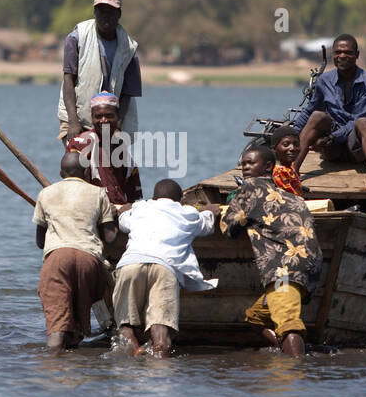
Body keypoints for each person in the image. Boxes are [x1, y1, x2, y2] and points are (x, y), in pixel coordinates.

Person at [220, 145, 323, 357]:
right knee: (256, 316)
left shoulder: (251, 188)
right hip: (309, 268)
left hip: (282, 272)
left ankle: (294, 372)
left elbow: (229, 228)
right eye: (243, 163)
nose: (245, 167)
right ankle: (289, 351)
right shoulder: (293, 197)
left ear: (268, 166)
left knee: (288, 324)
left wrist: (215, 211)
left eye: (251, 163)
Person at [112, 179, 221, 358]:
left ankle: (134, 352)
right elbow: (206, 226)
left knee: (125, 323)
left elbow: (124, 222)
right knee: (160, 327)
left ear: (154, 198)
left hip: (130, 264)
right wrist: (210, 212)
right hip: (165, 267)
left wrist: (124, 211)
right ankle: (161, 365)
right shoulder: (187, 212)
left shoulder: (141, 208)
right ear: (179, 200)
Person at [33, 152, 119, 353]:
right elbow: (111, 238)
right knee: (77, 326)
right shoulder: (98, 194)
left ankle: (54, 371)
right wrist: (111, 217)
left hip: (57, 260)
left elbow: (39, 241)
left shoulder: (46, 194)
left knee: (57, 325)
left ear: (61, 172)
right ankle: (78, 374)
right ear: (87, 172)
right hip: (88, 260)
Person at [290, 35, 366, 188]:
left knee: (363, 122)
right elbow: (309, 111)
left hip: (358, 147)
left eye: (348, 52)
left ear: (357, 55)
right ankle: (292, 170)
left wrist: (332, 137)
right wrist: (292, 137)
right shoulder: (324, 80)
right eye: (338, 52)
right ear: (332, 55)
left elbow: (358, 120)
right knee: (317, 116)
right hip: (335, 149)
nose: (342, 56)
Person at [57, 0, 142, 141]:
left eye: (110, 12)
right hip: (76, 114)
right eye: (101, 11)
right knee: (75, 161)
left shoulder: (129, 48)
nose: (105, 17)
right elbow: (68, 80)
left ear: (119, 15)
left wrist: (116, 127)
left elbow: (127, 94)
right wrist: (73, 122)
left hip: (111, 120)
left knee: (109, 161)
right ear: (94, 12)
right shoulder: (77, 37)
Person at [66, 92, 143, 205]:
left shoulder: (122, 150)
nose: (104, 120)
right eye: (98, 116)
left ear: (118, 117)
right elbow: (72, 187)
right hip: (91, 210)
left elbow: (135, 194)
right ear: (92, 118)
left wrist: (131, 210)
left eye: (109, 116)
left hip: (120, 214)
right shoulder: (80, 144)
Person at [267, 125, 303, 196]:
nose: (292, 148)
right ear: (274, 149)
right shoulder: (279, 172)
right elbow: (291, 198)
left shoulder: (289, 166)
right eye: (286, 144)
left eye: (296, 144)